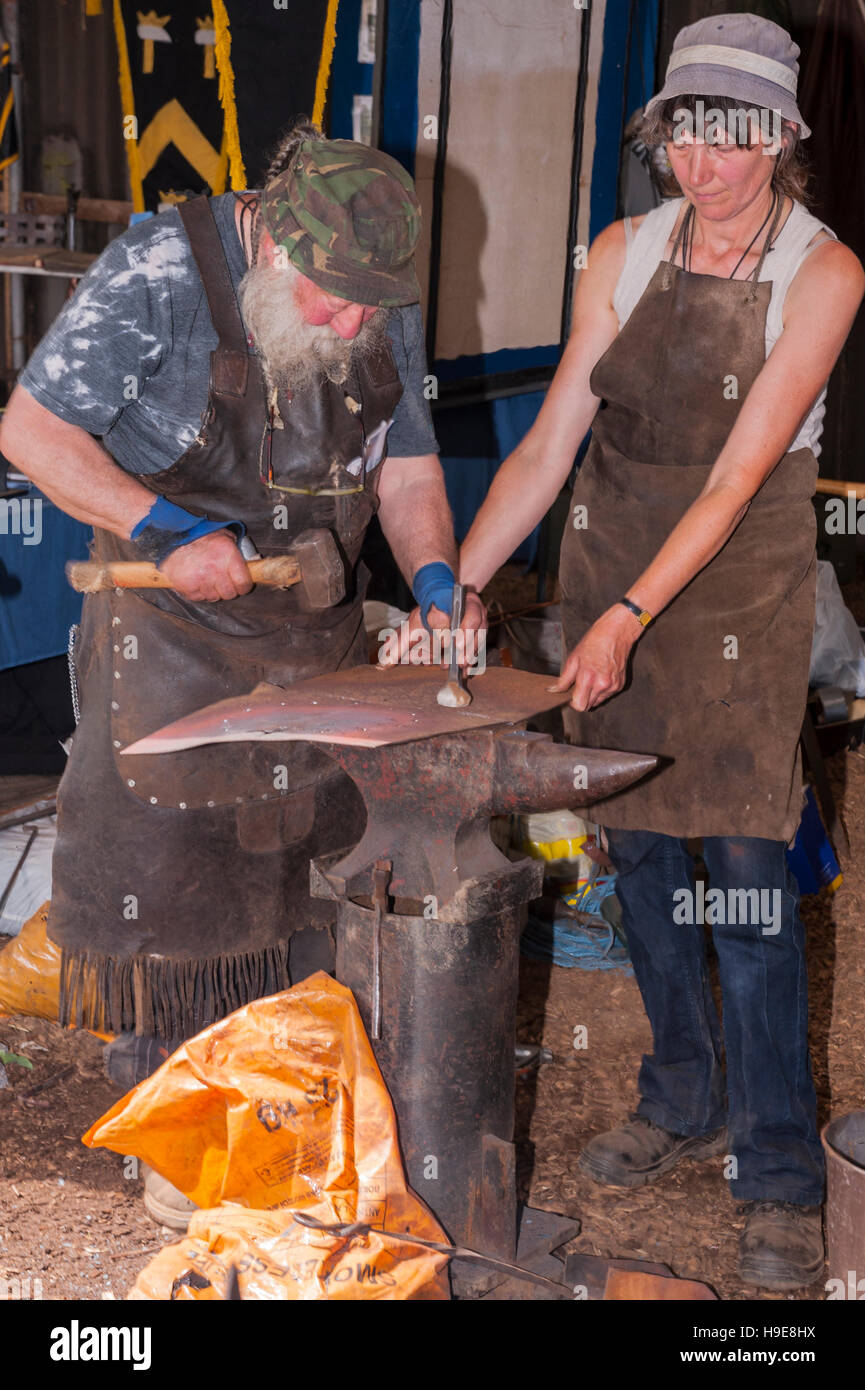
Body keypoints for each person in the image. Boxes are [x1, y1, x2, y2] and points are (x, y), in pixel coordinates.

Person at [0, 123, 481, 1219]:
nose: (354, 327)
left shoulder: (371, 285)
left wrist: (436, 580)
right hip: (168, 639)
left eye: (370, 311)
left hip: (312, 639)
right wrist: (164, 528)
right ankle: (172, 1130)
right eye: (332, 304)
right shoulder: (159, 269)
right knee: (172, 893)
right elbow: (31, 431)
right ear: (273, 238)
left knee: (294, 878)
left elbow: (406, 461)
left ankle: (272, 1109)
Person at [458, 14, 864, 1290]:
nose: (707, 165)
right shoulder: (622, 253)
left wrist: (632, 617)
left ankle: (778, 1169)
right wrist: (457, 580)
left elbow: (739, 479)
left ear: (781, 137)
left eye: (735, 137)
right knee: (636, 858)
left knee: (743, 880)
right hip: (612, 559)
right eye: (687, 135)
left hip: (735, 586)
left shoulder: (823, 271)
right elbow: (551, 441)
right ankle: (680, 1090)